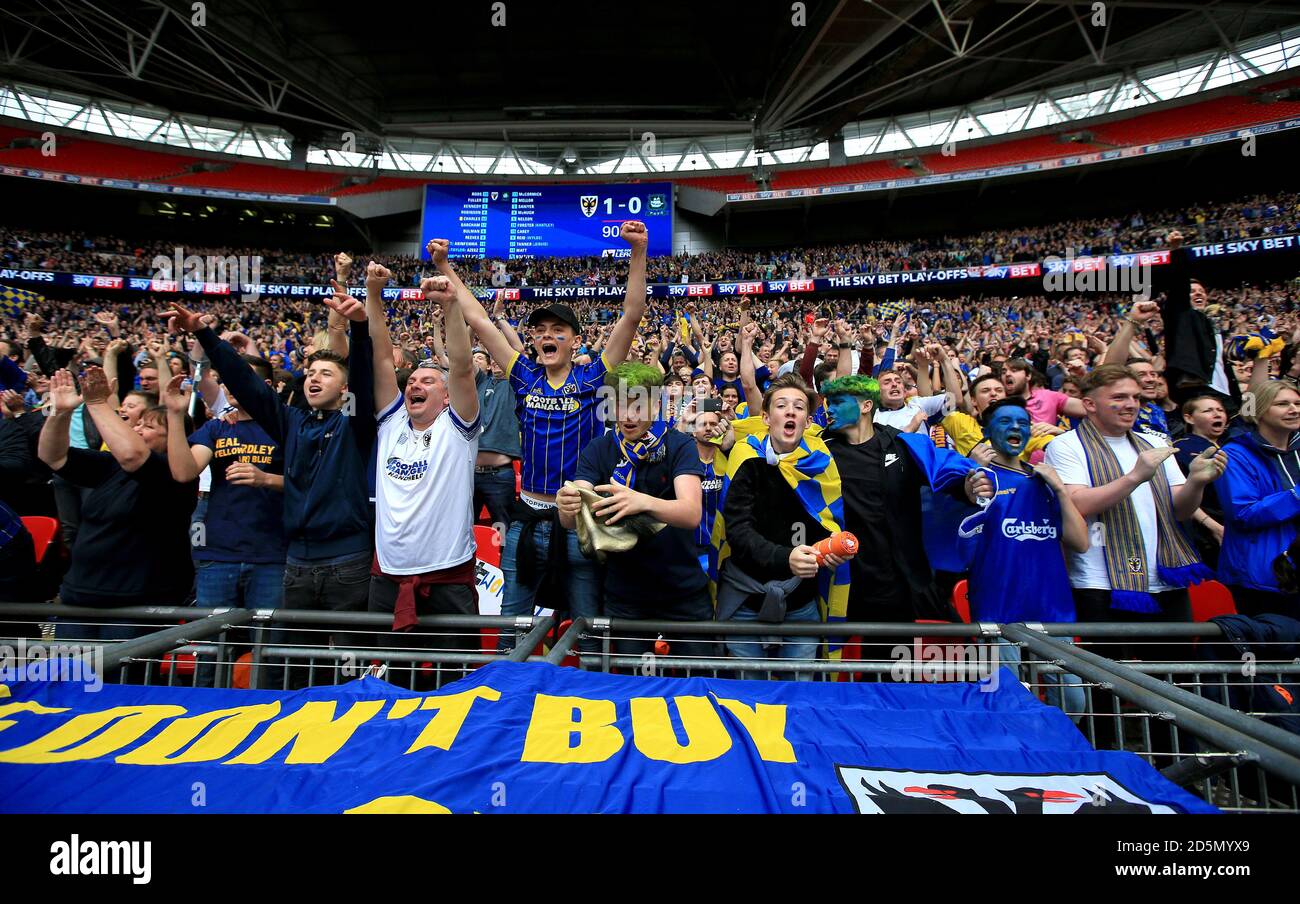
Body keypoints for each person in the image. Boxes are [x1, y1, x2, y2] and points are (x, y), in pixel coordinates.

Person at [449, 223, 648, 646]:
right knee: (512, 630)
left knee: (587, 628)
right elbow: (479, 319)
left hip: (580, 522)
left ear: (575, 341)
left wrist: (638, 252)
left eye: (558, 330)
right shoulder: (522, 373)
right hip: (527, 519)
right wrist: (444, 266)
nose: (546, 336)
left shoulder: (593, 375)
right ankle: (509, 701)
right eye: (539, 330)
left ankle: (589, 698)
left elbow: (631, 315)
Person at [165, 293, 376, 684]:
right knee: (287, 664)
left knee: (347, 661)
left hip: (346, 561)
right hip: (296, 562)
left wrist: (360, 329)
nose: (314, 377)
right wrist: (206, 336)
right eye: (311, 372)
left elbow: (365, 377)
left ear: (345, 391)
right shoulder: (291, 421)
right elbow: (246, 384)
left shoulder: (355, 423)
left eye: (326, 374)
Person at [1043, 364, 1227, 642]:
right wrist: (1135, 477)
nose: (1131, 405)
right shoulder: (1066, 444)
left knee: (1173, 673)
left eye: (1135, 398)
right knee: (1110, 677)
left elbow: (1180, 509)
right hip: (1100, 582)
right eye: (1119, 398)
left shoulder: (1154, 442)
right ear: (1090, 404)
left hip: (1164, 577)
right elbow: (1077, 503)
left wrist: (1196, 482)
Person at [361, 262, 482, 659]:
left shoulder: (457, 426)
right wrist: (374, 295)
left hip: (447, 575)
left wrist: (450, 307)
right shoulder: (391, 422)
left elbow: (462, 367)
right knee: (393, 681)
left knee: (456, 681)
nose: (415, 383)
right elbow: (381, 357)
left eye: (428, 380)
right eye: (412, 380)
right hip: (389, 577)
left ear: (446, 396)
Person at [557, 363, 706, 656]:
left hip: (682, 590)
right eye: (620, 404)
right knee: (631, 686)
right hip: (625, 594)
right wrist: (567, 504)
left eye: (637, 406)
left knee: (697, 681)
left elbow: (691, 514)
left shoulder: (680, 445)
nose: (627, 416)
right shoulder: (598, 449)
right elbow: (569, 521)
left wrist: (642, 502)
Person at [819, 374, 992, 624]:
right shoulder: (821, 450)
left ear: (866, 406)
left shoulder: (903, 445)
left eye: (837, 402)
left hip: (900, 578)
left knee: (898, 655)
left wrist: (969, 485)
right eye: (828, 403)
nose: (830, 410)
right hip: (844, 578)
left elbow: (947, 477)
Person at [36, 367, 197, 632]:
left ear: (173, 438)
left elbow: (133, 456)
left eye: (148, 426)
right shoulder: (111, 466)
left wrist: (97, 403)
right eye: (138, 424)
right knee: (73, 673)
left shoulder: (175, 474)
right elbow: (52, 456)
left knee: (120, 674)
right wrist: (60, 413)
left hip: (135, 605)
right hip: (80, 595)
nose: (137, 429)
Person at [713, 374, 852, 679]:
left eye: (799, 407)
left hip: (801, 605)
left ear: (807, 420)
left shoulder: (821, 463)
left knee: (798, 697)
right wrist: (785, 557)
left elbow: (826, 526)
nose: (790, 411)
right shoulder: (745, 457)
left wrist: (831, 550)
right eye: (782, 405)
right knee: (746, 700)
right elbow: (737, 532)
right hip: (745, 603)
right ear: (765, 417)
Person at [966, 396, 1089, 714]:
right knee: (1009, 705)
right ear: (988, 431)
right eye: (1005, 421)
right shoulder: (978, 479)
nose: (1015, 427)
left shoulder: (1044, 480)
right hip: (1000, 613)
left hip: (1053, 610)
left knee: (1073, 705)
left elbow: (1080, 541)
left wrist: (1060, 489)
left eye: (1022, 422)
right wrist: (971, 481)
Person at [160, 359, 287, 609]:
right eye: (225, 379)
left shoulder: (287, 425)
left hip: (272, 555)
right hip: (218, 555)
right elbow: (184, 472)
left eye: (239, 377)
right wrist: (175, 415)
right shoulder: (217, 427)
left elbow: (310, 484)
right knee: (213, 643)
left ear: (265, 384)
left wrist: (265, 479)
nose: (228, 385)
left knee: (268, 644)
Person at [1216, 379, 1300, 618]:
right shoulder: (1235, 454)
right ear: (1260, 410)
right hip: (1261, 576)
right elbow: (1243, 513)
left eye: (1297, 403)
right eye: (1283, 404)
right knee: (1273, 651)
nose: (1294, 409)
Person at [1173, 393, 1229, 568]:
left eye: (1220, 410)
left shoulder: (1232, 446)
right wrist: (1214, 527)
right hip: (1204, 532)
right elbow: (1179, 493)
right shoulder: (1182, 448)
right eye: (1208, 410)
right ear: (1189, 418)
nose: (1217, 414)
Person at [472, 348, 520, 529]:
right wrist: (467, 323)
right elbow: (461, 359)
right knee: (464, 532)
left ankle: (503, 559)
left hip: (500, 475)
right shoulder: (480, 383)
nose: (495, 361)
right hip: (471, 475)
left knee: (503, 533)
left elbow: (519, 352)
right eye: (492, 358)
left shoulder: (516, 385)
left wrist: (498, 319)